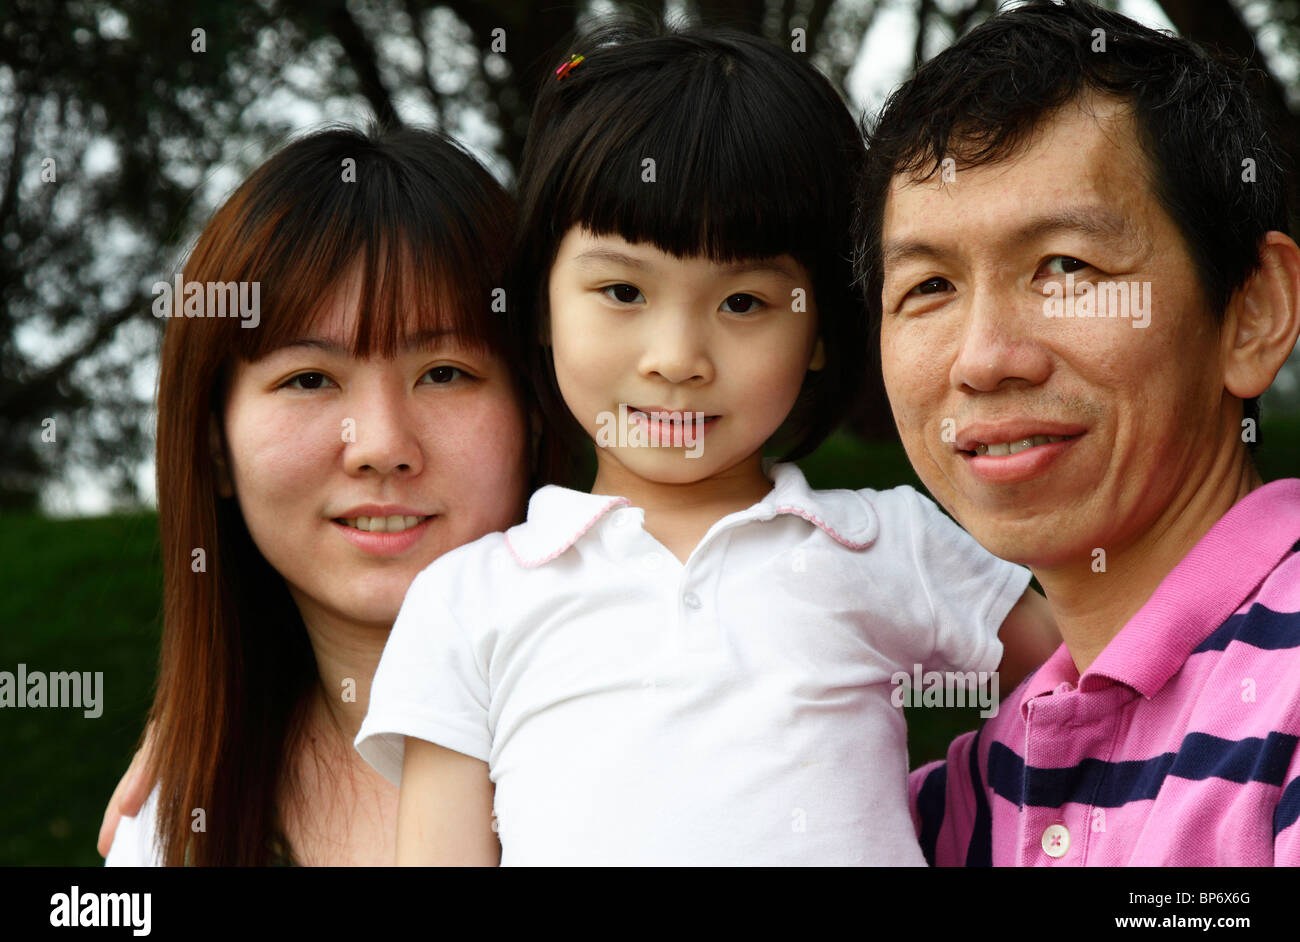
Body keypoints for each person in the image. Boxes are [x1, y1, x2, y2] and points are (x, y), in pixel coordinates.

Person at [353, 15, 1061, 866]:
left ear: (823, 331)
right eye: (621, 290)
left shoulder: (888, 544)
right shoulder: (467, 603)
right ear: (541, 303)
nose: (677, 360)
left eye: (743, 304)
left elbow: (1096, 679)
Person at [854, 0, 1300, 864]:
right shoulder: (950, 806)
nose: (984, 360)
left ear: (1253, 314)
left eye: (1066, 266)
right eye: (929, 287)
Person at [101, 124, 536, 865]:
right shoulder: (171, 829)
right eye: (309, 379)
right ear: (215, 448)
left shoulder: (679, 711)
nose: (381, 446)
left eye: (444, 372)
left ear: (534, 410)